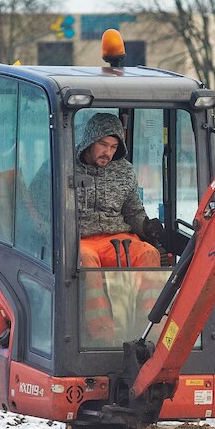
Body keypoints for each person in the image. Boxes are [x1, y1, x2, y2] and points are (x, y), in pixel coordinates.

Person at [75, 112, 165, 339]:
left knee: (148, 254)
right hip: (78, 238)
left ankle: (148, 332)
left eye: (114, 146)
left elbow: (133, 210)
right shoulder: (62, 166)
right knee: (85, 260)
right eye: (103, 144)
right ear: (89, 141)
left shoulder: (124, 170)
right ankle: (102, 335)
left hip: (117, 237)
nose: (108, 152)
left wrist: (146, 227)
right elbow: (39, 206)